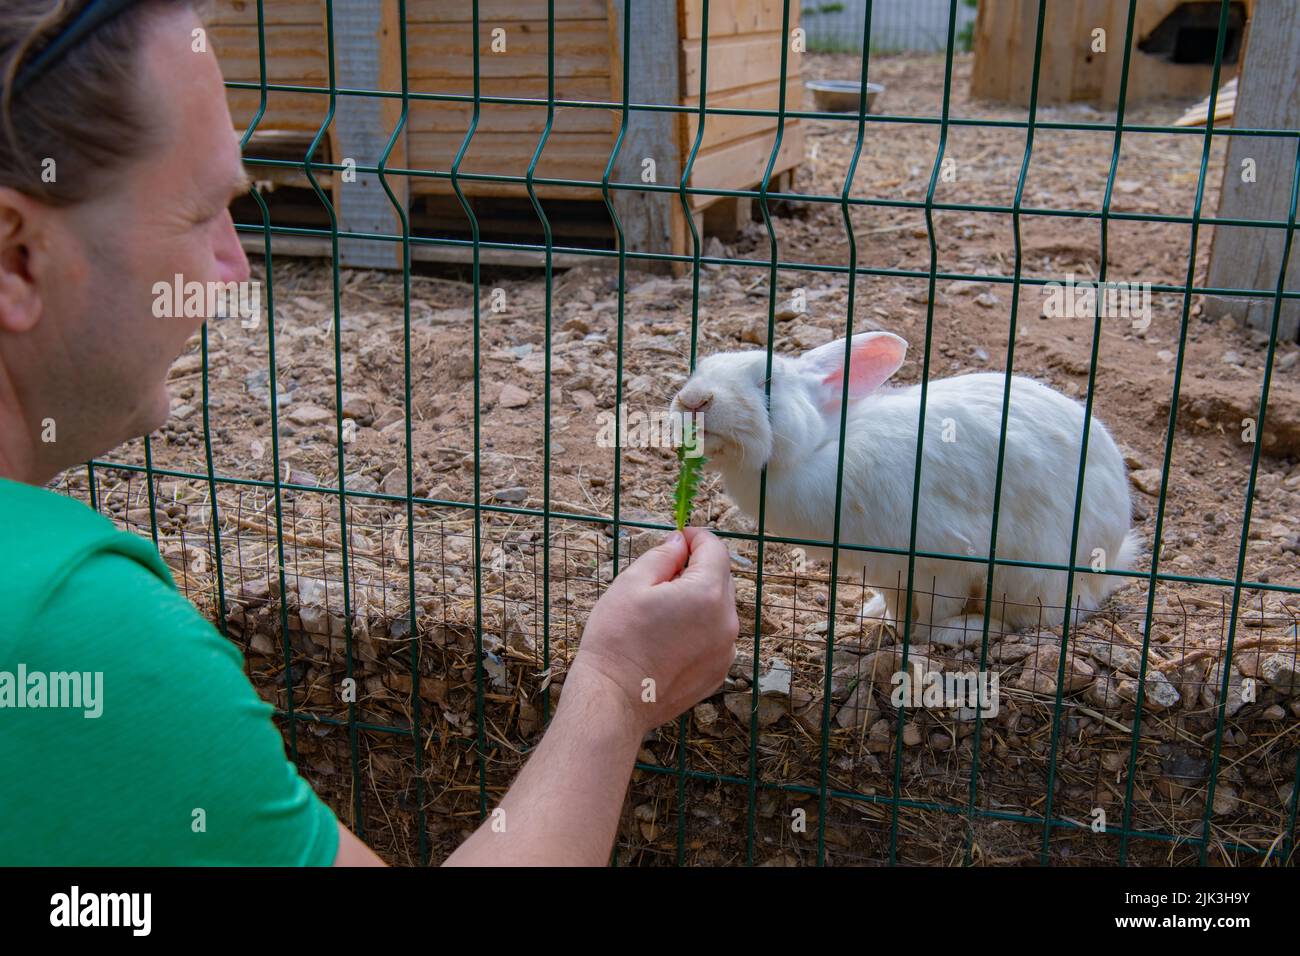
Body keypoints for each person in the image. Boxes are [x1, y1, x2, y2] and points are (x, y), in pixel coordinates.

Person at [0, 0, 739, 866]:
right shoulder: (72, 638)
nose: (236, 267)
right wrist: (614, 689)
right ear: (17, 253)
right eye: (201, 214)